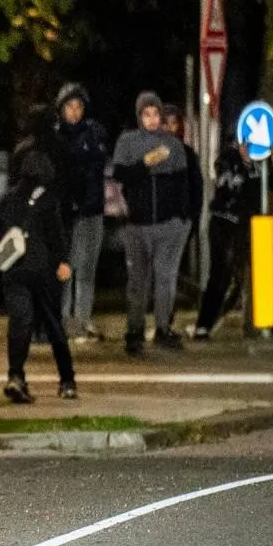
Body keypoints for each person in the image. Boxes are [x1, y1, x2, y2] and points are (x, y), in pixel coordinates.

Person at [110, 92, 195, 354]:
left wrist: (183, 218)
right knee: (138, 281)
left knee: (166, 278)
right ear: (139, 116)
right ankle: (134, 331)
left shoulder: (174, 146)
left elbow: (184, 184)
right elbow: (120, 175)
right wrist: (145, 164)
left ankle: (163, 328)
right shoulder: (128, 142)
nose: (152, 119)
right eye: (147, 114)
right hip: (137, 224)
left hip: (169, 225)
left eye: (156, 114)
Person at [0, 148, 77, 403]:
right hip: (42, 270)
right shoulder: (50, 200)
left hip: (14, 270)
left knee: (20, 322)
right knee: (53, 325)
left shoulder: (8, 198)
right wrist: (62, 261)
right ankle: (67, 380)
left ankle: (16, 375)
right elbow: (56, 236)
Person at [51, 83, 109, 342]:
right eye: (69, 107)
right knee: (67, 267)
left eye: (78, 107)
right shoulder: (55, 137)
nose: (74, 113)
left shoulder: (94, 134)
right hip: (66, 213)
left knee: (88, 267)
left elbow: (96, 167)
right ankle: (63, 319)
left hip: (92, 210)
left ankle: (83, 318)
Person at [195, 135, 267, 338]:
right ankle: (205, 323)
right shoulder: (227, 159)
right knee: (220, 274)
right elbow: (228, 185)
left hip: (249, 225)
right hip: (224, 222)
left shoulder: (260, 162)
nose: (248, 149)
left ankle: (260, 323)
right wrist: (244, 166)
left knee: (248, 275)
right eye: (245, 145)